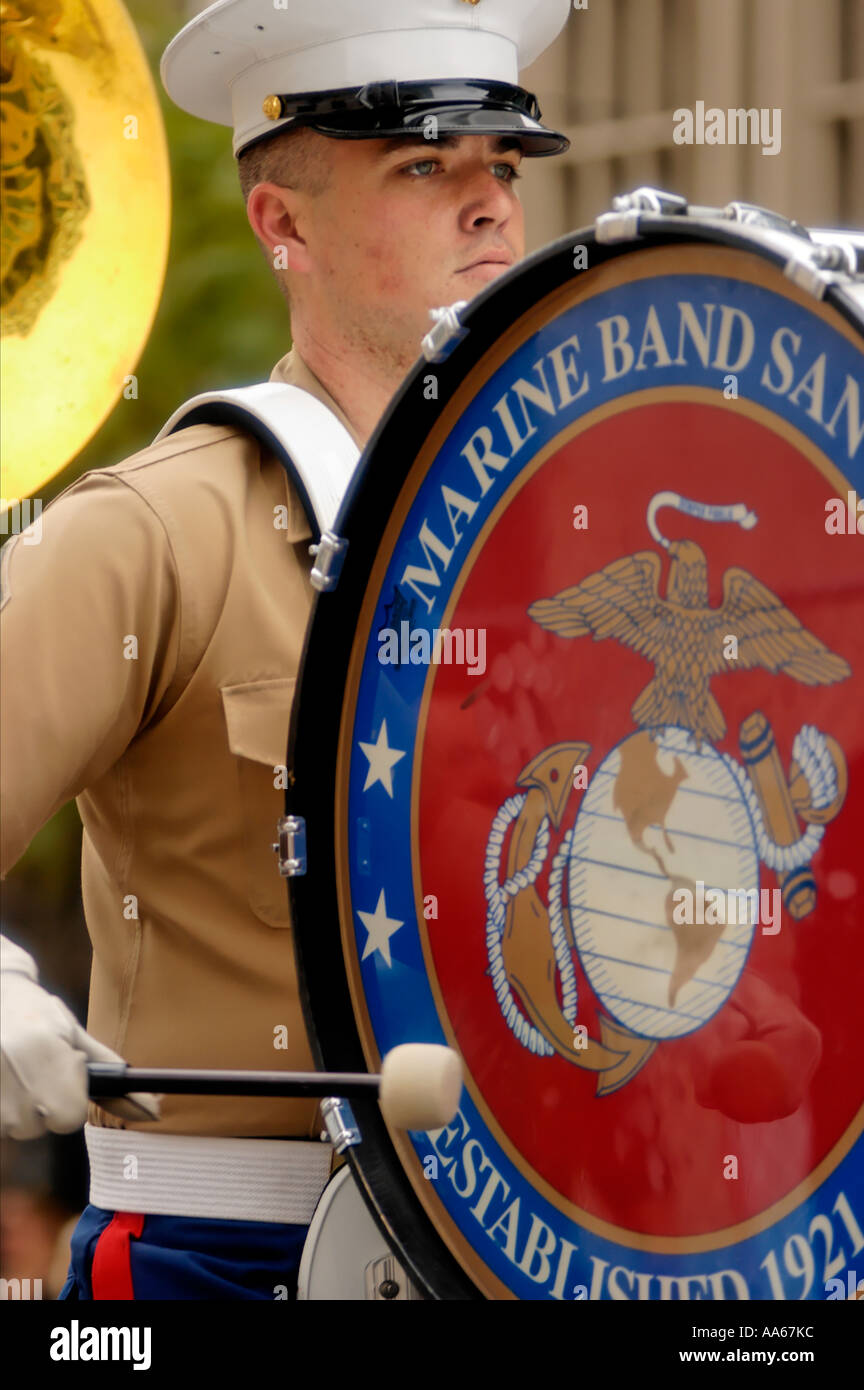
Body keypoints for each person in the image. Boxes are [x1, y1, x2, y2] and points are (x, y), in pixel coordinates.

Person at [0, 0, 571, 1300]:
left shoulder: (559, 540)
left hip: (519, 1254)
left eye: (503, 167)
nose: (488, 206)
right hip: (224, 1267)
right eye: (426, 166)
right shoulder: (151, 530)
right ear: (283, 225)